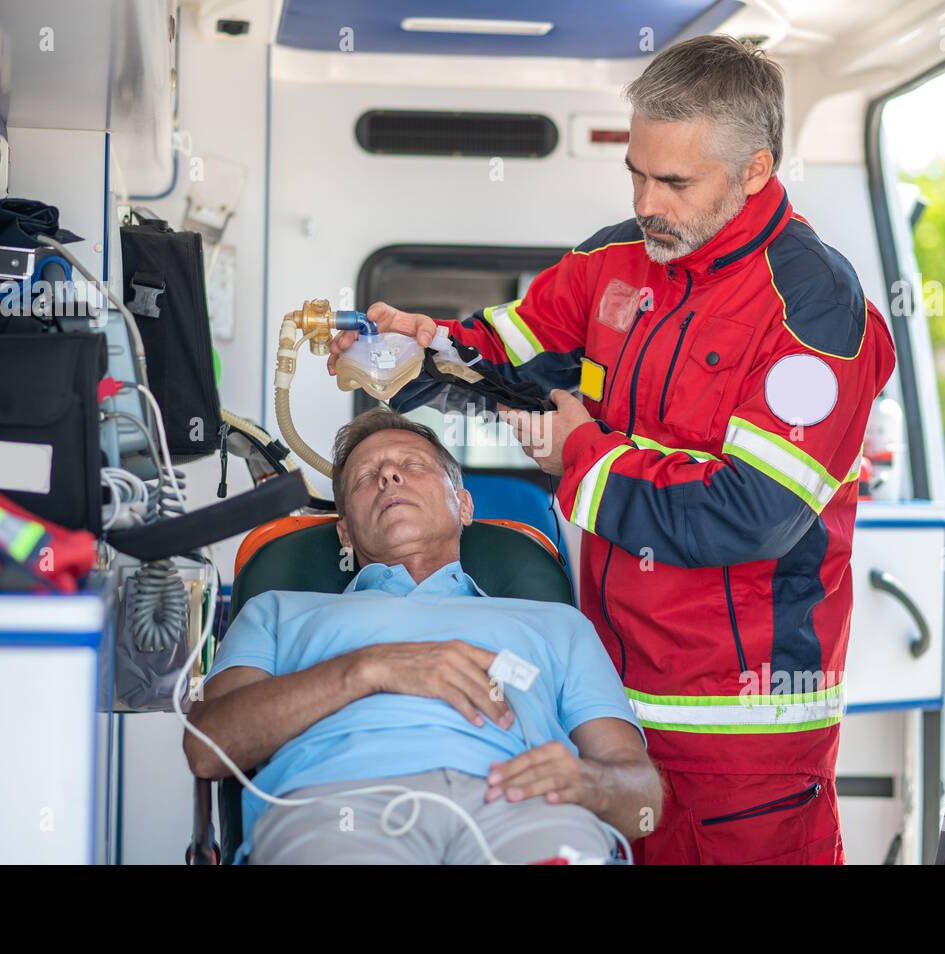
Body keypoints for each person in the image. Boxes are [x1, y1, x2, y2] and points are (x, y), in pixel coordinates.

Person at [329, 35, 898, 864]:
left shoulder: (813, 310)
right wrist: (413, 354)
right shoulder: (613, 262)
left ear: (755, 171)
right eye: (635, 172)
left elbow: (751, 514)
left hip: (741, 746)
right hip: (603, 709)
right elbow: (504, 361)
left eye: (674, 182)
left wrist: (583, 455)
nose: (647, 201)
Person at [184, 409, 660, 864]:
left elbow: (643, 797)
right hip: (339, 805)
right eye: (367, 477)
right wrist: (367, 669)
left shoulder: (557, 623)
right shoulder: (277, 610)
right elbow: (207, 748)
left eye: (411, 466)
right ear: (345, 533)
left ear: (465, 505)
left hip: (524, 805)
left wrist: (588, 782)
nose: (389, 476)